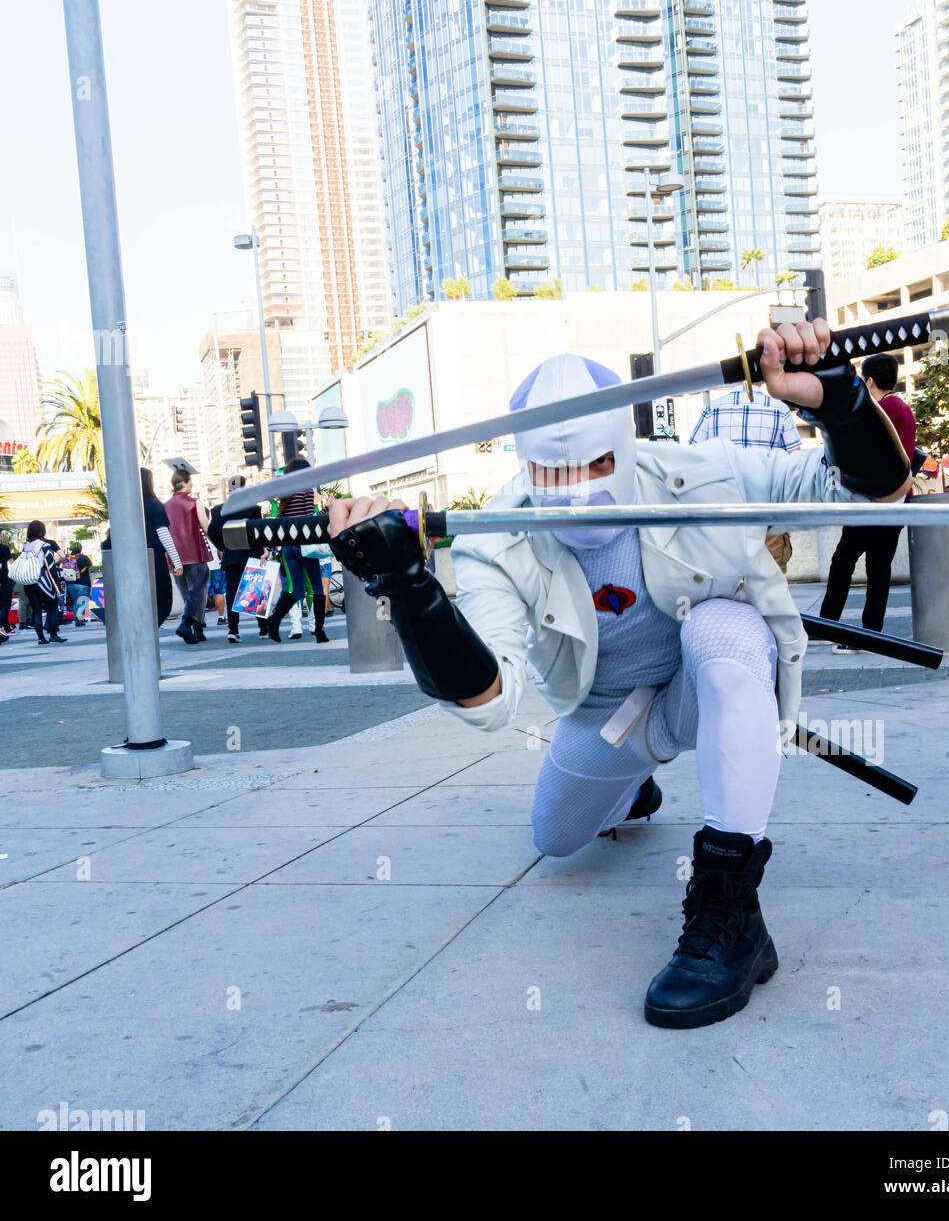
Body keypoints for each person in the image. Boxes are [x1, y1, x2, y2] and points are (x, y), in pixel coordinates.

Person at [326, 320, 912, 1031]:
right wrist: (407, 586)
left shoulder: (701, 471)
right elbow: (487, 701)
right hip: (609, 714)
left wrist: (840, 401)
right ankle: (631, 789)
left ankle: (730, 912)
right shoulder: (498, 536)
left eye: (597, 463)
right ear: (524, 463)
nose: (575, 492)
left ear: (626, 446)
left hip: (705, 681)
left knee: (722, 624)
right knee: (555, 840)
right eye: (551, 474)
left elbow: (873, 494)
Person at [818, 352, 916, 649]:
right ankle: (871, 631)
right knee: (878, 568)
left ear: (869, 381)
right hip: (898, 503)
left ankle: (826, 624)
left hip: (873, 502)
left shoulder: (878, 410)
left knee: (843, 561)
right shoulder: (903, 409)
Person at [690, 382, 802, 572]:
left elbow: (694, 455)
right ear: (762, 378)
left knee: (726, 572)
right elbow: (795, 462)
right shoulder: (780, 409)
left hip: (725, 506)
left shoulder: (712, 408)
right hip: (768, 506)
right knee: (771, 573)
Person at [264, 457, 329, 644]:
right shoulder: (306, 491)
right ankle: (319, 632)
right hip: (305, 546)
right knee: (317, 587)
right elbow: (309, 519)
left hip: (288, 549)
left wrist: (268, 549)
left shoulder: (286, 495)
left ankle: (274, 620)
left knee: (297, 590)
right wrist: (327, 509)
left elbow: (278, 524)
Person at [207, 478, 262, 644]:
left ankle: (233, 629)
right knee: (254, 591)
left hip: (231, 556)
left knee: (232, 593)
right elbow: (257, 532)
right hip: (251, 555)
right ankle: (263, 627)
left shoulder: (218, 511)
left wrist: (223, 546)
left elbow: (211, 532)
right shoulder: (253, 509)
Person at [164, 468, 212, 645]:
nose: (192, 483)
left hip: (174, 556)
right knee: (198, 591)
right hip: (195, 553)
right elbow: (205, 526)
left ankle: (196, 630)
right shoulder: (194, 502)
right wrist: (218, 545)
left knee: (187, 594)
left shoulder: (165, 505)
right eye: (190, 480)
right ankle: (188, 625)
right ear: (184, 482)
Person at [21, 521, 66, 646]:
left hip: (29, 581)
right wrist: (57, 584)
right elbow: (51, 567)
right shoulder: (45, 545)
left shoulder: (26, 546)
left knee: (37, 610)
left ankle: (41, 638)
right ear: (42, 531)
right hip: (43, 581)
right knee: (53, 607)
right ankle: (53, 635)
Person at [0, 538, 13, 643]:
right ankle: (2, 626)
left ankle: (6, 627)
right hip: (4, 580)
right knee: (6, 605)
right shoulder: (4, 548)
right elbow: (12, 562)